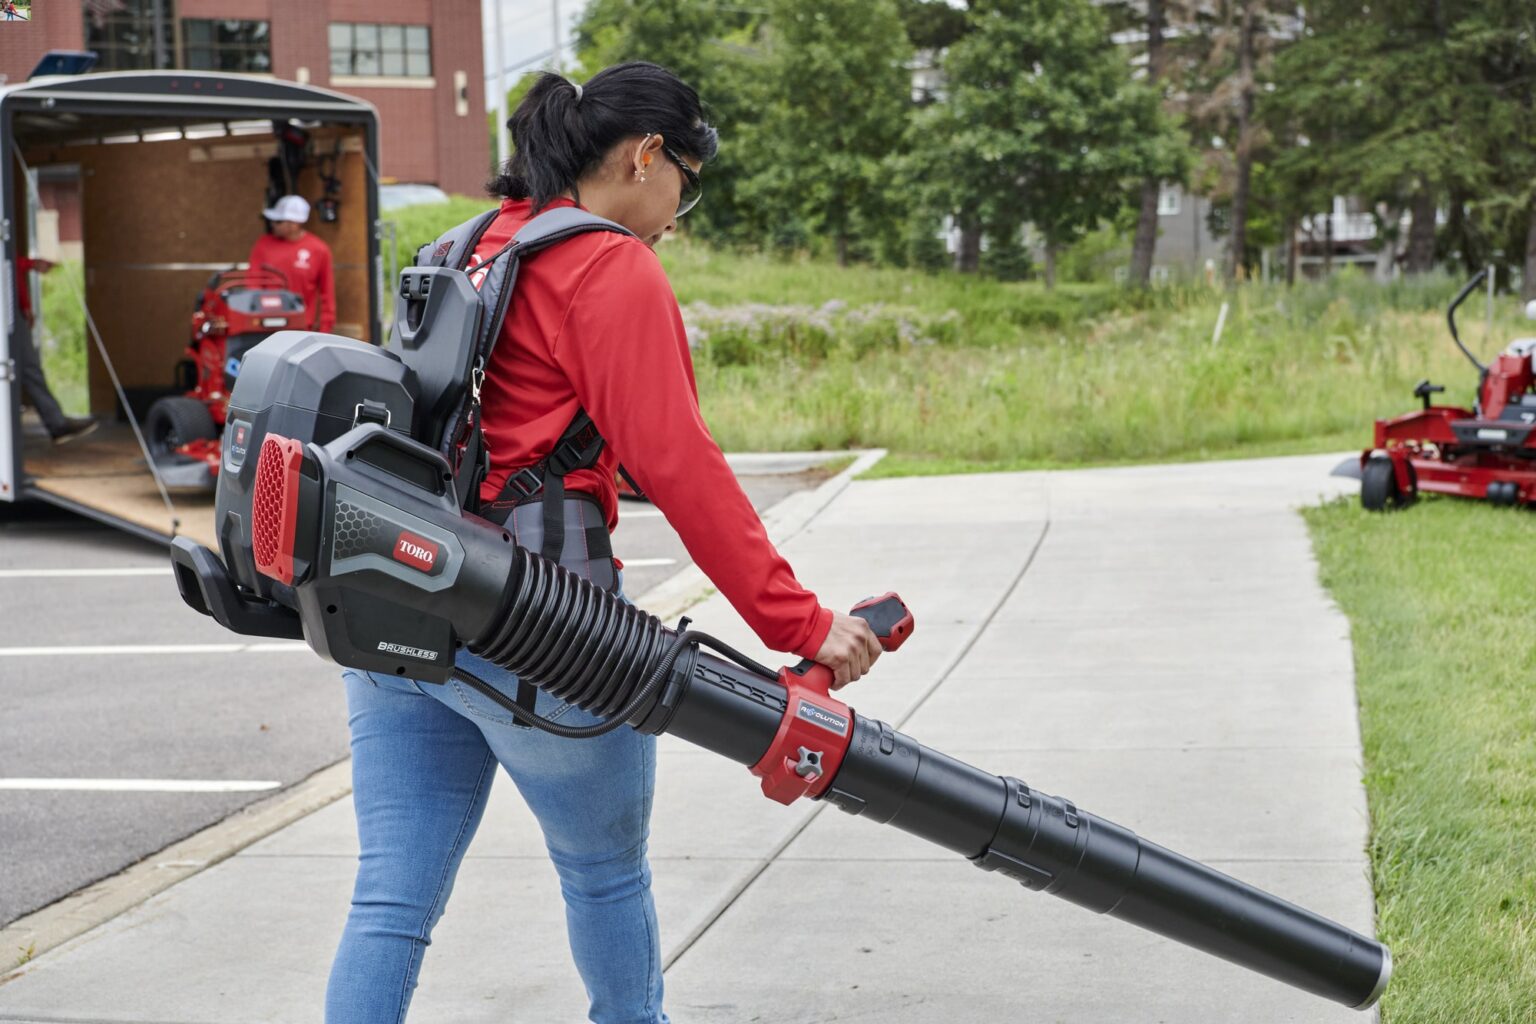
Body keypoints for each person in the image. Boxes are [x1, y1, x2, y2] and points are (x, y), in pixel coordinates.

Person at [325, 62, 883, 1023]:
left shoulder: (462, 247)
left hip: (397, 609)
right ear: (646, 155)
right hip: (538, 631)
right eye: (686, 183)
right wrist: (802, 622)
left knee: (390, 903)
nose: (679, 211)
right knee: (605, 880)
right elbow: (682, 467)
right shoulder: (607, 264)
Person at [13, 255, 95, 443]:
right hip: (7, 312)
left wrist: (24, 305)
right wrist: (31, 264)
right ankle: (57, 424)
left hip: (10, 310)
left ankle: (57, 424)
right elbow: (8, 263)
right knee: (29, 368)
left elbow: (10, 264)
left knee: (28, 368)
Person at [248, 194, 335, 333]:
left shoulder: (319, 250)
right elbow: (253, 284)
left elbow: (327, 295)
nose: (272, 224)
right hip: (266, 328)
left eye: (278, 221)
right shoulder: (263, 245)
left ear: (294, 224)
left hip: (302, 329)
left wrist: (325, 331)